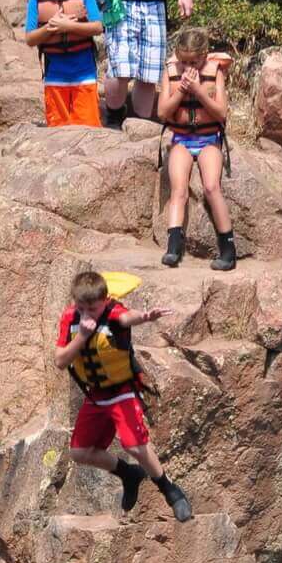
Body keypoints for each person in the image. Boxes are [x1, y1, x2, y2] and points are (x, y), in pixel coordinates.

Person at [56, 269, 194, 521]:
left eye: (93, 309)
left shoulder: (113, 314)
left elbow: (128, 318)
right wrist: (82, 337)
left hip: (121, 392)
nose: (87, 314)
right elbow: (60, 360)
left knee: (135, 445)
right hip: (96, 396)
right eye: (82, 308)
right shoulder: (70, 319)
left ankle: (171, 490)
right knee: (79, 452)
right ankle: (129, 474)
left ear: (105, 302)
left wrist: (146, 317)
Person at [158, 27, 235, 271]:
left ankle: (228, 248)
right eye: (184, 62)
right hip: (181, 138)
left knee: (212, 186)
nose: (189, 66)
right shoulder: (171, 72)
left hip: (208, 138)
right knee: (178, 190)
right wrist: (181, 89)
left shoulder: (215, 73)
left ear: (205, 56)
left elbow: (221, 113)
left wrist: (199, 91)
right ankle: (173, 246)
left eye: (195, 62)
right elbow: (162, 113)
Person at [103, 0, 194, 129]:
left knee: (149, 75)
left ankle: (140, 125)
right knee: (119, 69)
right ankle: (114, 118)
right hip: (121, 4)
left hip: (155, 5)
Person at [25, 0, 104, 128]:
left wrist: (69, 26)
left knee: (89, 128)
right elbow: (30, 39)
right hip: (55, 77)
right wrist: (51, 26)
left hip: (84, 75)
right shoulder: (35, 0)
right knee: (57, 131)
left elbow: (98, 27)